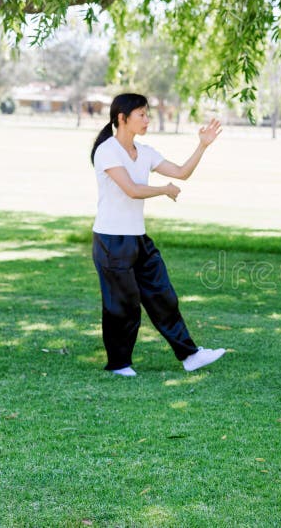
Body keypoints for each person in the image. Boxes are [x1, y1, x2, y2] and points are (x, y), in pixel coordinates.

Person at [90, 93, 226, 377]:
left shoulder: (145, 151)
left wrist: (202, 145)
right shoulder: (107, 151)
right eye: (141, 114)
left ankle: (190, 355)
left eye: (147, 114)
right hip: (111, 240)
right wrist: (164, 190)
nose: (147, 119)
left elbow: (181, 172)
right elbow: (132, 189)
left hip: (138, 238)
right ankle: (119, 364)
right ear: (121, 118)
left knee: (163, 295)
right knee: (123, 305)